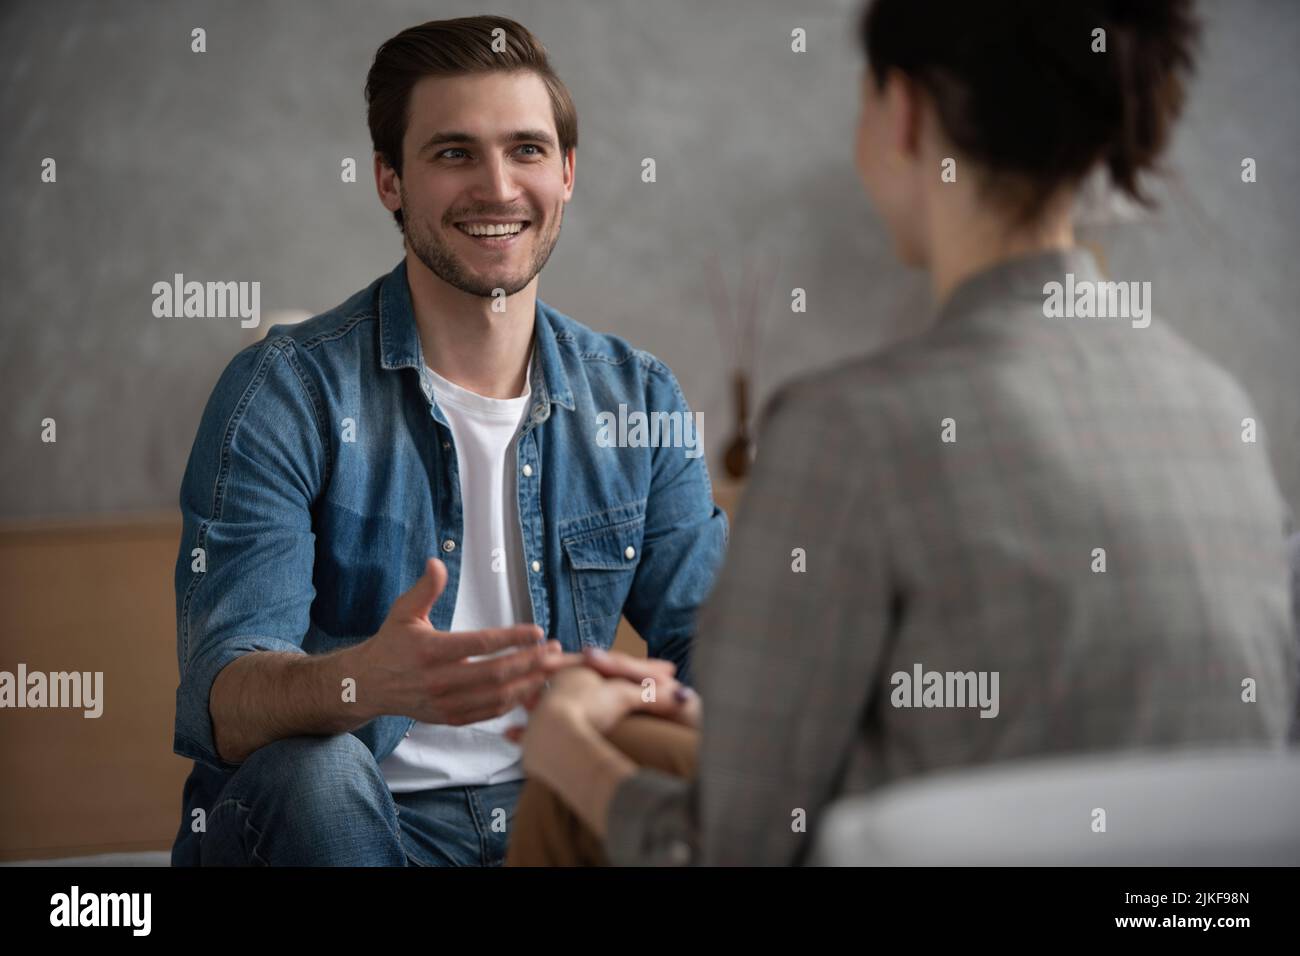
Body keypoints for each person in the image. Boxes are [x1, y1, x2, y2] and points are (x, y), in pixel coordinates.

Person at [504, 0, 1297, 866]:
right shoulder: (1220, 410)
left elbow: (727, 853)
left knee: (580, 785)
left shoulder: (844, 431)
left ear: (905, 115)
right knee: (659, 746)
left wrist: (568, 751)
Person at [169, 15, 727, 866]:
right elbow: (222, 698)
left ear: (568, 173)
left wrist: (615, 692)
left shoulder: (639, 396)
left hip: (550, 810)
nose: (499, 188)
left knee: (701, 765)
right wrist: (368, 681)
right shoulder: (283, 391)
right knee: (315, 774)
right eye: (454, 153)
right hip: (352, 818)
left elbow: (716, 651)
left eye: (528, 150)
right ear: (390, 180)